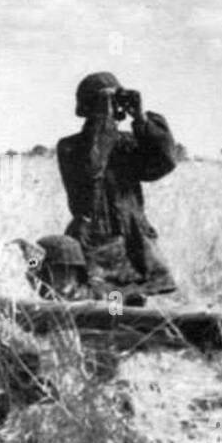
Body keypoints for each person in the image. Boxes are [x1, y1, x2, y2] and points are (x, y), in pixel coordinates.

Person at [56, 72, 177, 302]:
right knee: (104, 309)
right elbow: (93, 164)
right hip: (95, 243)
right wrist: (104, 116)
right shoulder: (70, 147)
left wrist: (140, 119)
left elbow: (163, 162)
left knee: (134, 309)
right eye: (107, 101)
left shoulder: (126, 144)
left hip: (133, 242)